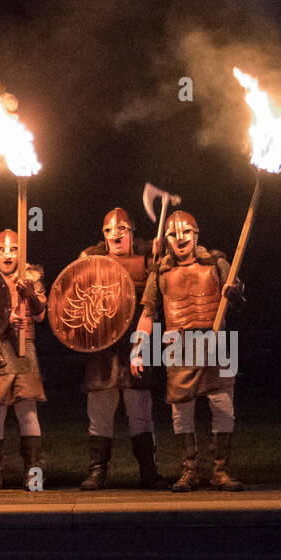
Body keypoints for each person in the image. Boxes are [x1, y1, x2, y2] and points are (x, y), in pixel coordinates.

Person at [134, 211, 245, 491]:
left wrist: (234, 293)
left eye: (186, 233)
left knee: (223, 407)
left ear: (196, 235)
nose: (180, 238)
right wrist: (137, 348)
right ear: (167, 238)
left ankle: (221, 471)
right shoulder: (160, 270)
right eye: (173, 234)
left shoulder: (217, 262)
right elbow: (149, 311)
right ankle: (189, 471)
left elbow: (239, 298)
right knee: (181, 411)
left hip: (218, 340)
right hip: (178, 344)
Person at [77, 208, 168, 490]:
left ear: (131, 232)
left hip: (137, 338)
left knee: (140, 409)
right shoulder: (91, 262)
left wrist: (158, 260)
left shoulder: (148, 261)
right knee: (100, 410)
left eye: (122, 229)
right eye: (109, 230)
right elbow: (75, 300)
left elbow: (155, 301)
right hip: (102, 345)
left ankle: (148, 471)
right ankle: (97, 470)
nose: (116, 234)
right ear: (103, 235)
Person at [0, 230, 47, 491]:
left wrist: (29, 295)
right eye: (1, 250)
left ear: (21, 253)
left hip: (23, 348)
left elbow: (41, 317)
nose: (7, 255)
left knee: (27, 410)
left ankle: (34, 475)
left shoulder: (31, 279)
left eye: (12, 250)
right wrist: (5, 319)